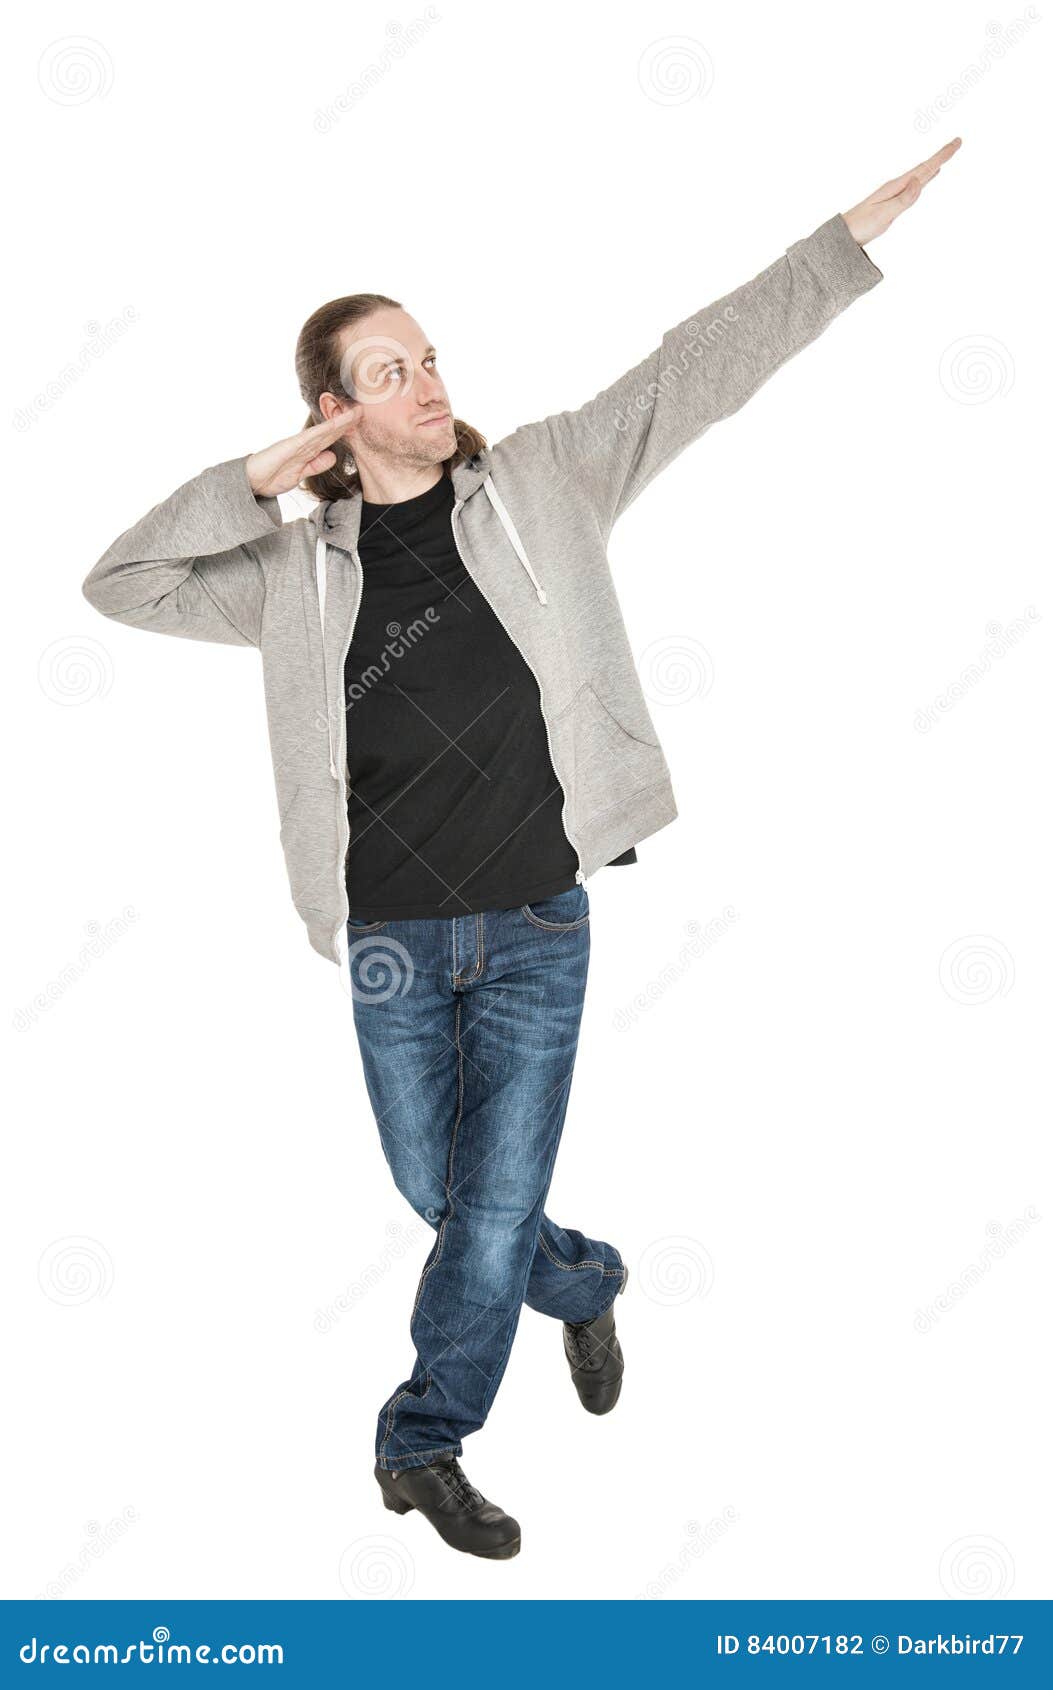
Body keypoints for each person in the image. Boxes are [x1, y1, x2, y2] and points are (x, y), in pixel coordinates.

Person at [82, 140, 961, 1561]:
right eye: (388, 371)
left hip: (535, 921)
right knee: (448, 1199)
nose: (428, 383)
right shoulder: (291, 573)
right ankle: (584, 1276)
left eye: (430, 357)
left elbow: (697, 366)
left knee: (478, 1207)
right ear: (329, 413)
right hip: (384, 936)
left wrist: (846, 239)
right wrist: (252, 480)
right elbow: (121, 581)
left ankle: (421, 1439)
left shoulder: (543, 479)